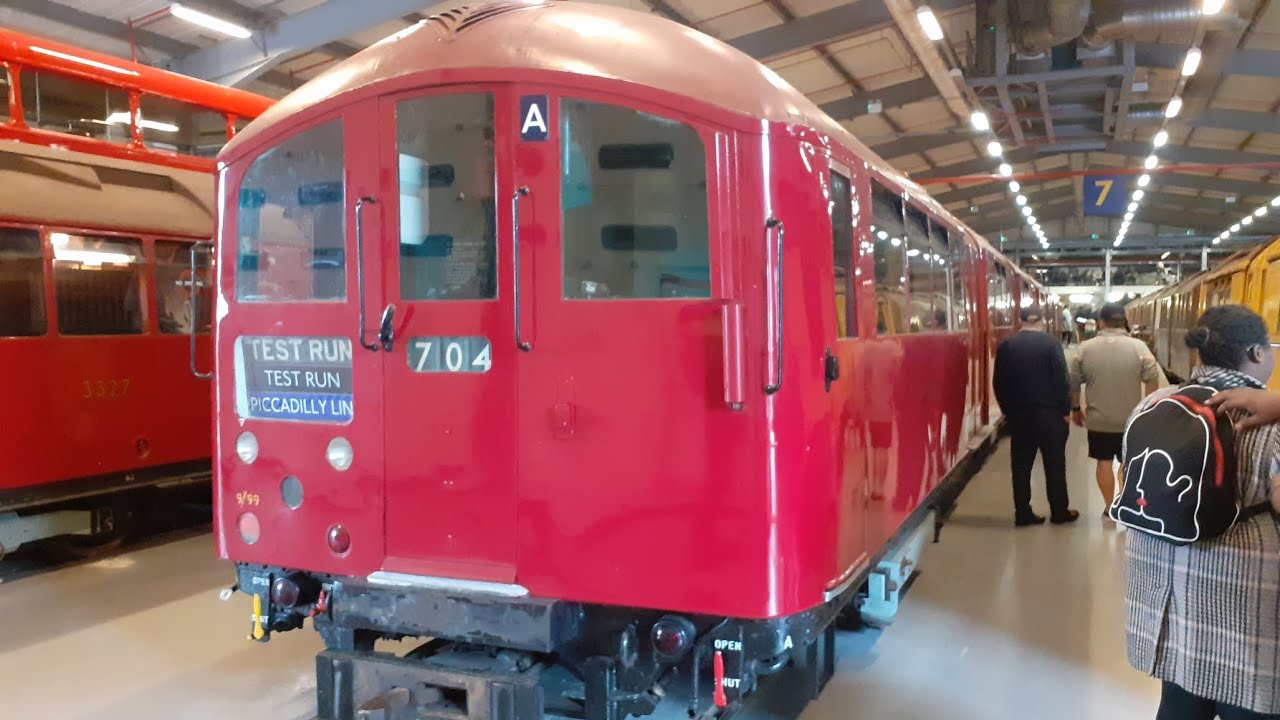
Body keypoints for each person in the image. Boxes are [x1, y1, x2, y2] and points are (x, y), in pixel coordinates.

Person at [1122, 304, 1280, 719]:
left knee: (1178, 703)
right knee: (1249, 702)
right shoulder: (1269, 419)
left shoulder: (1154, 404)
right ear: (1257, 353)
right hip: (1245, 603)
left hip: (1165, 592)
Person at [1069, 302, 1165, 516]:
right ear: (1124, 321)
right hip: (1130, 420)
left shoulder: (1084, 349)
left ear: (1101, 322)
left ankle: (1108, 506)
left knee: (1103, 462)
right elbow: (1152, 378)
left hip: (1098, 420)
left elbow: (1074, 382)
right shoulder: (1139, 348)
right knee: (1126, 462)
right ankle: (1125, 504)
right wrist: (1147, 409)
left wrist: (1076, 408)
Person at [993, 306, 1080, 526]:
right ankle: (1059, 511)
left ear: (1020, 321)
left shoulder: (1007, 345)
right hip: (1050, 415)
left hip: (1019, 416)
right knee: (1055, 464)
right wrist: (1065, 410)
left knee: (1021, 466)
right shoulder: (1051, 344)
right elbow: (1061, 379)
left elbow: (999, 383)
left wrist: (1007, 410)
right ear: (1041, 320)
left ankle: (1023, 513)